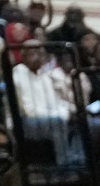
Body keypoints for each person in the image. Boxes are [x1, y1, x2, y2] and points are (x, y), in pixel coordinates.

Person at [9, 38, 82, 169]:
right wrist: (61, 115)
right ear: (23, 56)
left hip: (48, 117)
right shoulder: (18, 75)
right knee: (57, 122)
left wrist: (71, 110)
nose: (37, 56)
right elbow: (30, 111)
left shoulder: (45, 75)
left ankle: (79, 159)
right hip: (25, 122)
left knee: (81, 117)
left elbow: (56, 102)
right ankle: (64, 163)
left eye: (40, 52)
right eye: (32, 53)